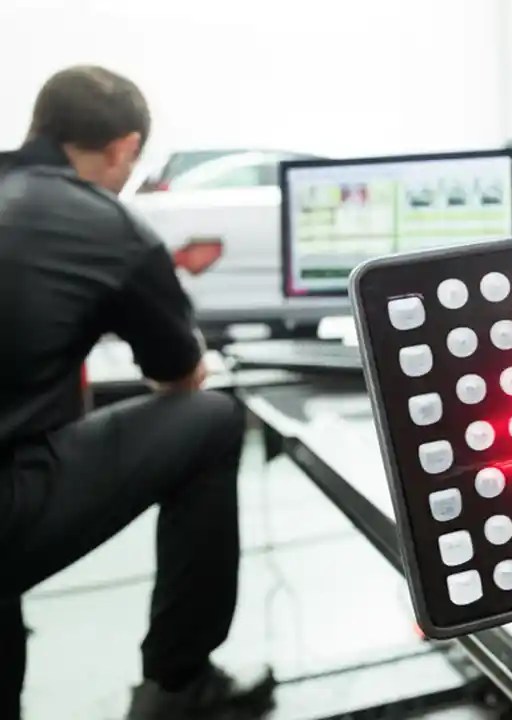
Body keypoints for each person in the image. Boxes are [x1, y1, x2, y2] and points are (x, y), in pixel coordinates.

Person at [0, 66, 273, 719]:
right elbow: (179, 379)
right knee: (208, 421)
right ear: (123, 148)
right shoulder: (106, 223)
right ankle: (179, 686)